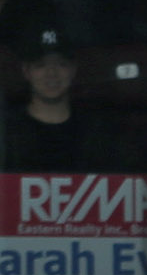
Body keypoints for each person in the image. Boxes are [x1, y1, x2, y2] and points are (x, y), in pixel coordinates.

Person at [2, 25, 136, 172]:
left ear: (73, 70)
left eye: (61, 64)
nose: (51, 73)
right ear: (26, 71)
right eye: (40, 65)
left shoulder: (98, 133)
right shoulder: (7, 132)